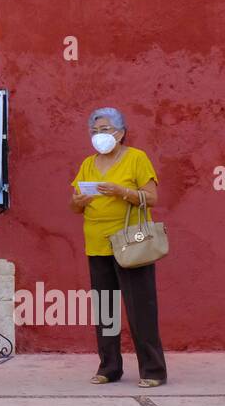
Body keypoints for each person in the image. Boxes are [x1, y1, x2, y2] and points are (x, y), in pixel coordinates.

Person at [70, 107, 167, 388]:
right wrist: (79, 202)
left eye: (105, 130)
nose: (99, 136)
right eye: (94, 131)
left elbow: (152, 198)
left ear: (121, 133)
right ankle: (109, 366)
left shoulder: (136, 158)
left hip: (131, 243)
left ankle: (153, 369)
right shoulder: (88, 163)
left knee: (141, 307)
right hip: (97, 243)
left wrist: (121, 192)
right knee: (106, 308)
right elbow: (73, 203)